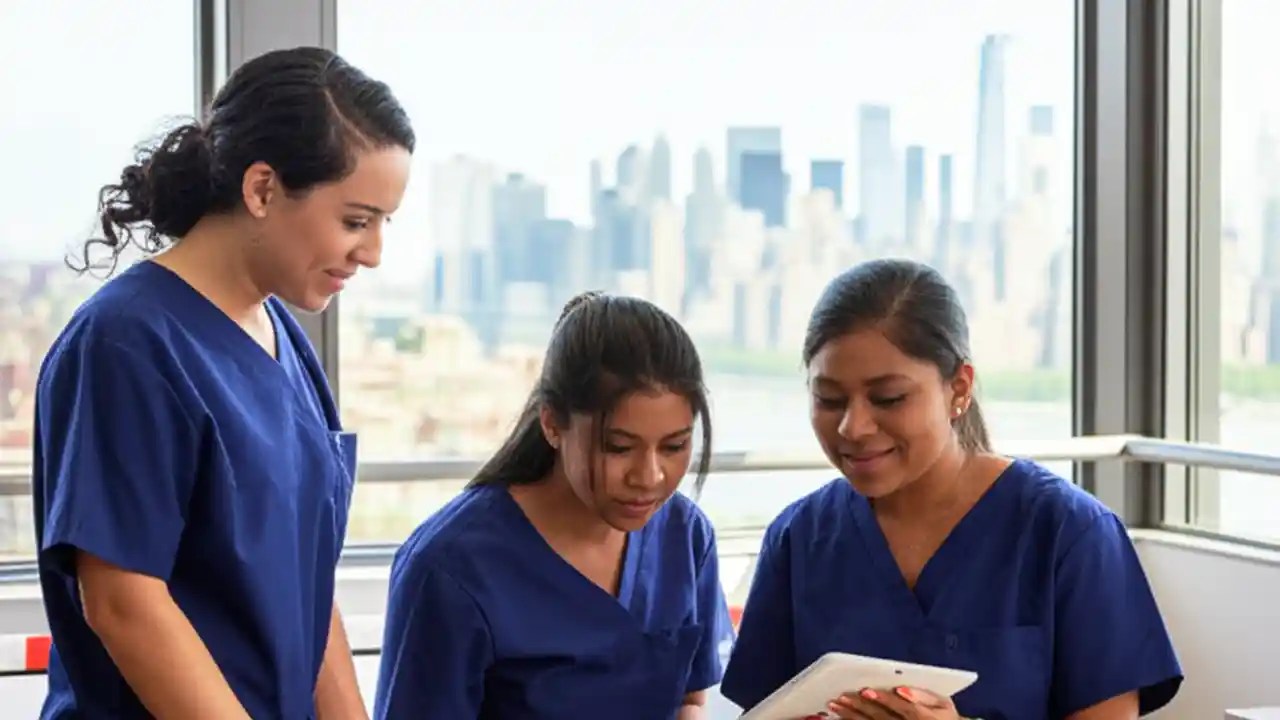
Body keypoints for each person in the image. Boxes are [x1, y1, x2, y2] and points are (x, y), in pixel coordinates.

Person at [31, 47, 413, 719]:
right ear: (262, 188)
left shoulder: (283, 340)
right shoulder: (128, 342)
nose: (374, 253)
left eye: (384, 224)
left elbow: (304, 589)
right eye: (356, 221)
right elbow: (123, 602)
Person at [720, 259, 1183, 720]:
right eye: (829, 399)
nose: (853, 426)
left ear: (958, 388)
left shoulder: (1070, 534)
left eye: (888, 398)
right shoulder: (800, 538)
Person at [374, 292, 735, 720]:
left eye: (675, 446)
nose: (650, 476)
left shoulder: (685, 534)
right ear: (552, 424)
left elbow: (689, 698)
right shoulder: (451, 569)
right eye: (618, 448)